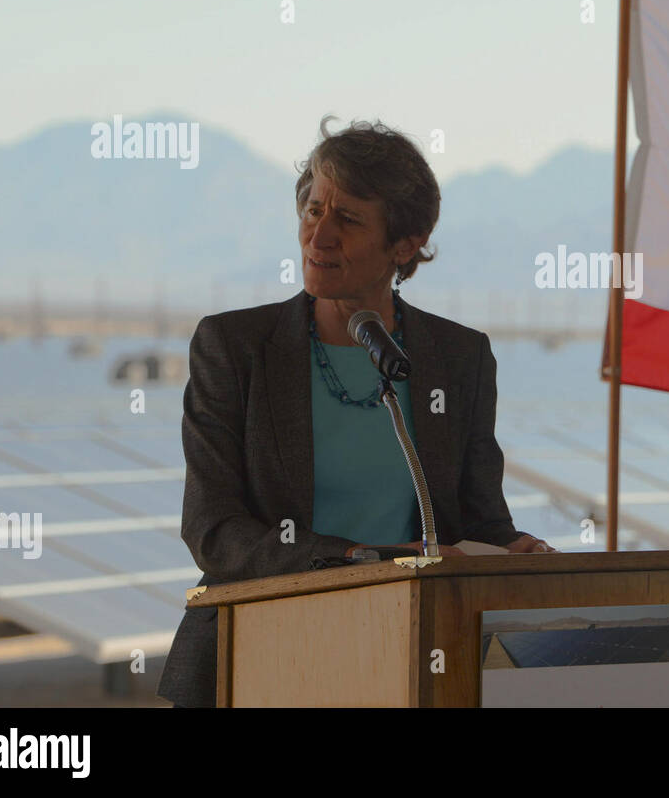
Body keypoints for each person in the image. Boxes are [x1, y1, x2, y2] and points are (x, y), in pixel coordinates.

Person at [157, 116, 553, 708]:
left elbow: (475, 521)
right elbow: (214, 531)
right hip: (251, 658)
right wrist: (357, 559)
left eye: (347, 220)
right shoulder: (234, 347)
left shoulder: (459, 357)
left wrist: (514, 550)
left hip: (410, 657)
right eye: (314, 210)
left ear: (406, 243)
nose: (319, 237)